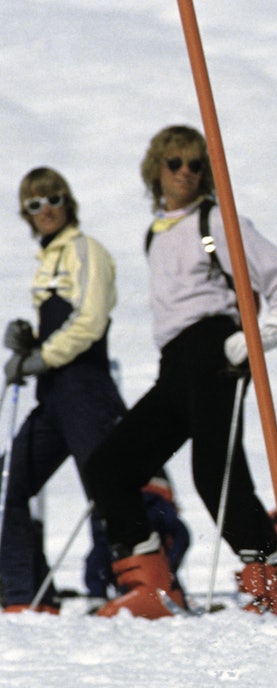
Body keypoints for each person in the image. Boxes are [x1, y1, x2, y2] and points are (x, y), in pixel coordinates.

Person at [84, 124, 277, 619]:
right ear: (156, 172)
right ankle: (150, 586)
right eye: (175, 163)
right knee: (110, 467)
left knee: (215, 473)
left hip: (214, 351)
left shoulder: (217, 220)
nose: (186, 172)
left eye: (196, 164)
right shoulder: (156, 233)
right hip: (176, 363)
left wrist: (265, 334)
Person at [1, 167, 126, 615]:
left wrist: (40, 357)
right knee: (10, 484)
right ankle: (25, 594)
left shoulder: (83, 250)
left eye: (52, 198)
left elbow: (90, 320)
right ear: (26, 214)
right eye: (35, 204)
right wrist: (29, 345)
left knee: (104, 487)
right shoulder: (48, 258)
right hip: (53, 393)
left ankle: (122, 585)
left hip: (85, 387)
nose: (45, 209)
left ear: (67, 201)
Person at [84, 468, 191, 607]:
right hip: (144, 493)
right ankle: (168, 588)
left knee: (106, 544)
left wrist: (96, 592)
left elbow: (99, 551)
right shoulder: (160, 509)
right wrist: (170, 568)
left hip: (113, 494)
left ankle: (101, 596)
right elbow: (180, 535)